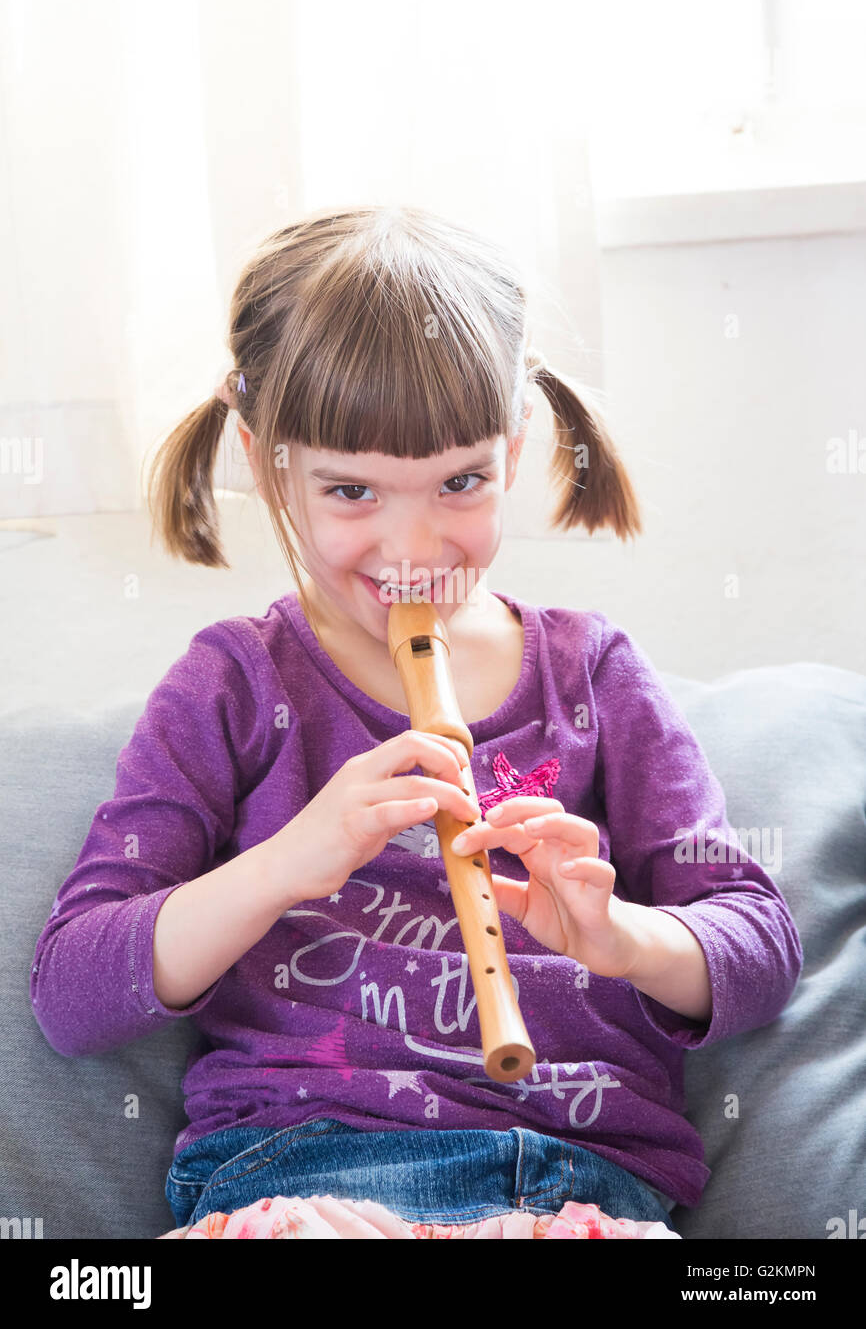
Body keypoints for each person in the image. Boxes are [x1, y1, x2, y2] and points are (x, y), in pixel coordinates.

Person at [30, 205, 803, 1235]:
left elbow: (757, 950)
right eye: (351, 489)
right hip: (297, 1179)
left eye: (460, 481)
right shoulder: (235, 684)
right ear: (266, 460)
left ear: (515, 447)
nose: (414, 543)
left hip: (574, 1192)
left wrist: (620, 937)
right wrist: (284, 863)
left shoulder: (592, 675)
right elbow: (74, 995)